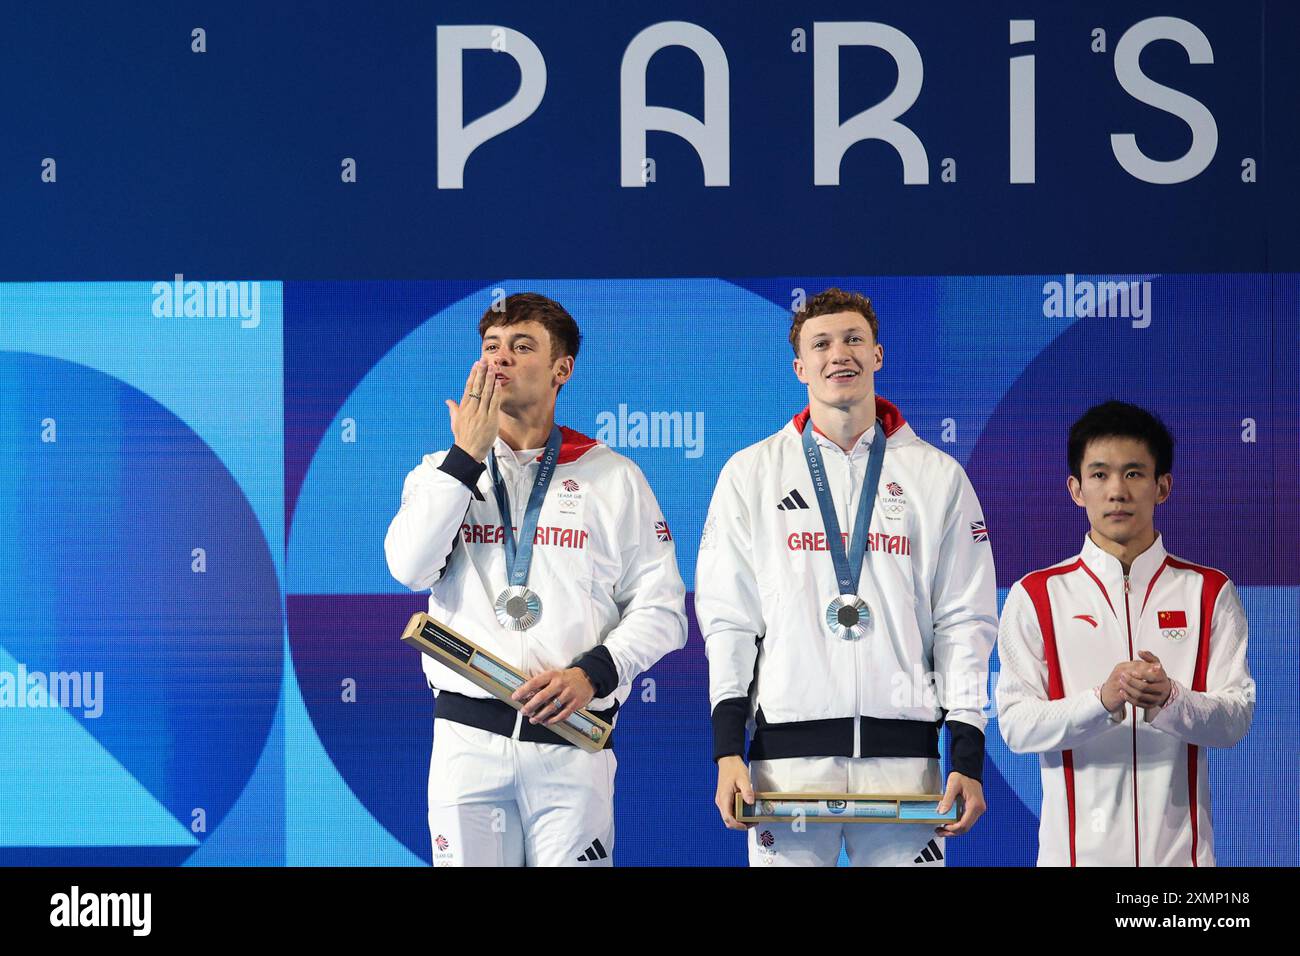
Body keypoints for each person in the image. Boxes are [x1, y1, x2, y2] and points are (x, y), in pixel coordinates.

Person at [696, 287, 997, 866]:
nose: (840, 354)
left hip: (906, 764)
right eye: (822, 344)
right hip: (785, 767)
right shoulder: (750, 473)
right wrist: (727, 751)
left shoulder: (937, 476)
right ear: (799, 367)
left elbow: (965, 620)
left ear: (877, 355)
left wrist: (966, 755)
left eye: (854, 339)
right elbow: (729, 621)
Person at [384, 292, 687, 866]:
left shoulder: (613, 477)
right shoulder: (440, 473)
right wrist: (465, 459)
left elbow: (663, 611)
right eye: (491, 346)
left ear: (560, 369)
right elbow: (409, 567)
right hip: (467, 743)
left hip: (572, 744)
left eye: (522, 346)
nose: (500, 358)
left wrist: (592, 673)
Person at [996, 401, 1255, 866]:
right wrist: (1102, 701)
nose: (1117, 491)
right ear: (1076, 489)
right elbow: (1016, 726)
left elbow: (1234, 719)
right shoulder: (1036, 595)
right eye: (1099, 475)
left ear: (1163, 487)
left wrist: (1171, 700)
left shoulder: (1209, 592)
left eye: (1134, 473)